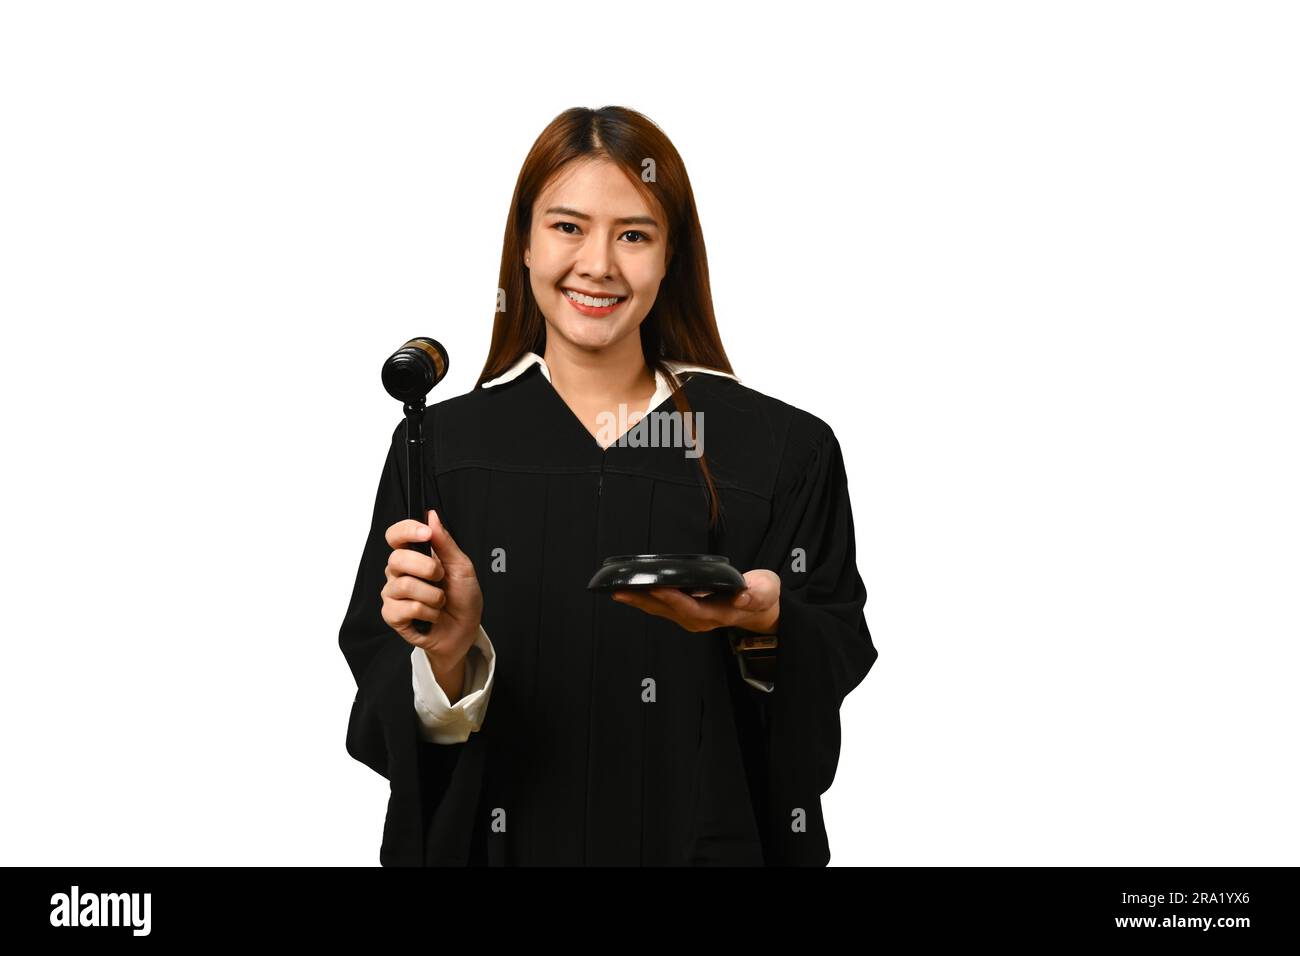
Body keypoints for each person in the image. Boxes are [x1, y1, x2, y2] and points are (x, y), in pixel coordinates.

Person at [338, 106, 878, 866]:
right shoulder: (443, 451)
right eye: (567, 227)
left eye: (634, 234)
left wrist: (765, 621)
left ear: (670, 258)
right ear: (523, 245)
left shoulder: (781, 451)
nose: (598, 263)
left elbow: (828, 676)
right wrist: (449, 656)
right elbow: (387, 705)